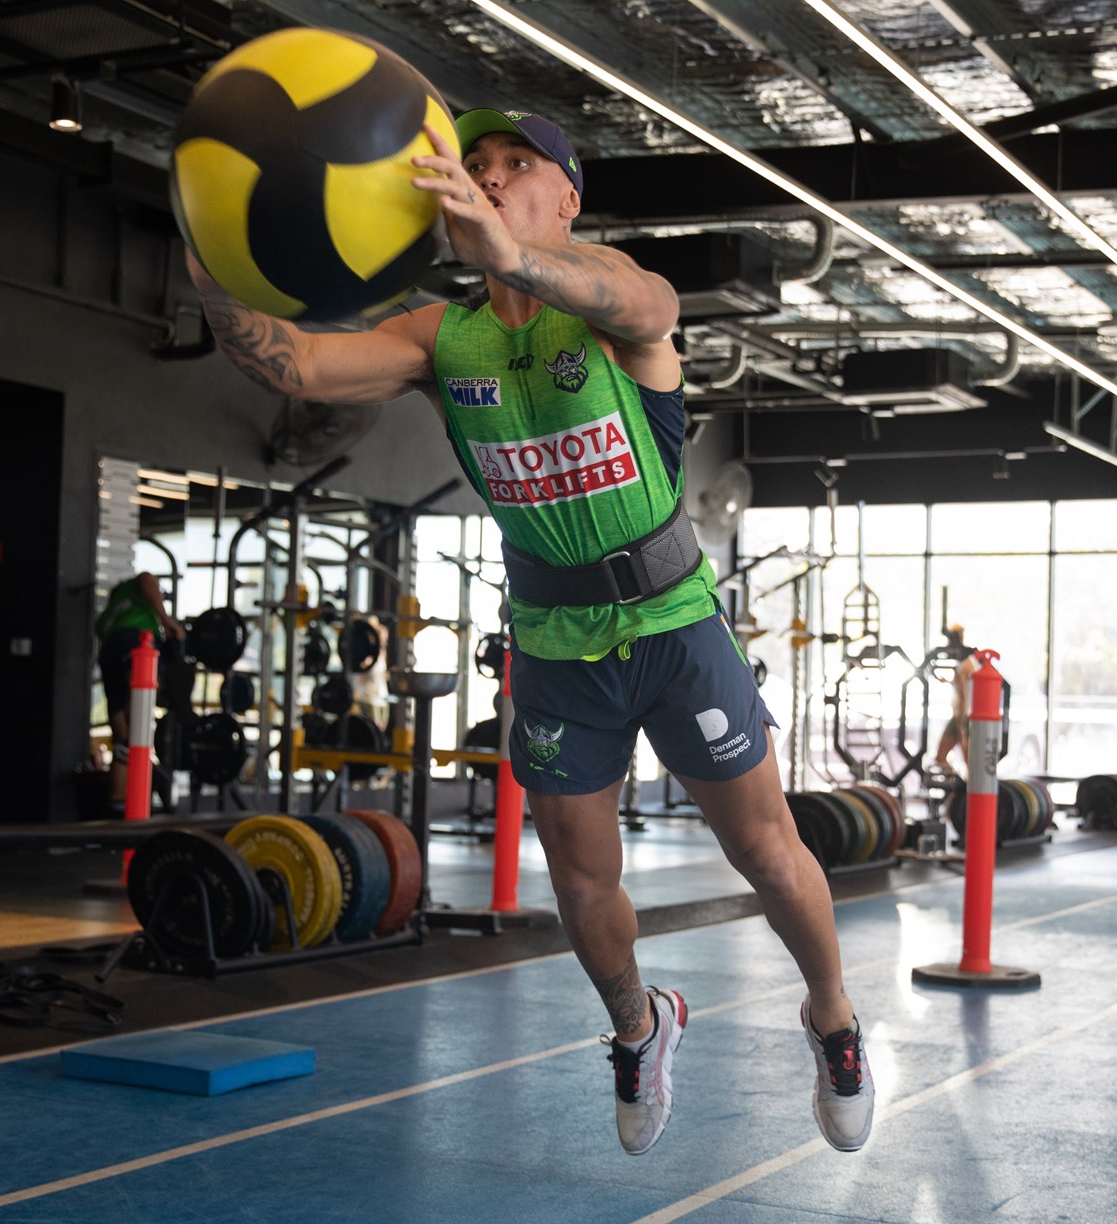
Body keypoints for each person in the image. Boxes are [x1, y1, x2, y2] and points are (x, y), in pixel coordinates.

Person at [187, 109, 873, 1155]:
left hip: (676, 625)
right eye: (478, 166)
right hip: (555, 643)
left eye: (520, 166)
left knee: (767, 852)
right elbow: (298, 368)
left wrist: (514, 257)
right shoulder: (442, 334)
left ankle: (832, 1016)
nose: (494, 177)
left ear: (567, 198)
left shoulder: (612, 304)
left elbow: (653, 299)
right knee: (580, 878)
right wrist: (212, 243)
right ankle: (641, 1029)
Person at [95, 572, 186, 812]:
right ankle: (141, 798)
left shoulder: (107, 620)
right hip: (137, 646)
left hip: (110, 653)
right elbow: (147, 578)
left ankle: (117, 802)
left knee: (123, 735)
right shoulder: (134, 589)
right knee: (138, 726)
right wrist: (168, 622)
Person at [933, 623, 979, 774]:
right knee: (942, 757)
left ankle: (964, 792)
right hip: (961, 715)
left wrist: (962, 725)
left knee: (968, 760)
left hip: (963, 716)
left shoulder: (965, 666)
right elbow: (963, 687)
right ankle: (957, 791)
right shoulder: (968, 663)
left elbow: (965, 695)